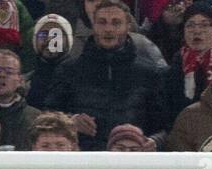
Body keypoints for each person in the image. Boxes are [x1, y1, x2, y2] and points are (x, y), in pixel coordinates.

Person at [44, 0, 163, 149]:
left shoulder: (149, 73)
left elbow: (163, 124)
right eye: (102, 22)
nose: (108, 29)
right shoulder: (68, 69)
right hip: (83, 159)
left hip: (132, 159)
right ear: (93, 26)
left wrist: (155, 140)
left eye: (116, 23)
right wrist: (70, 120)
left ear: (128, 27)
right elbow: (48, 115)